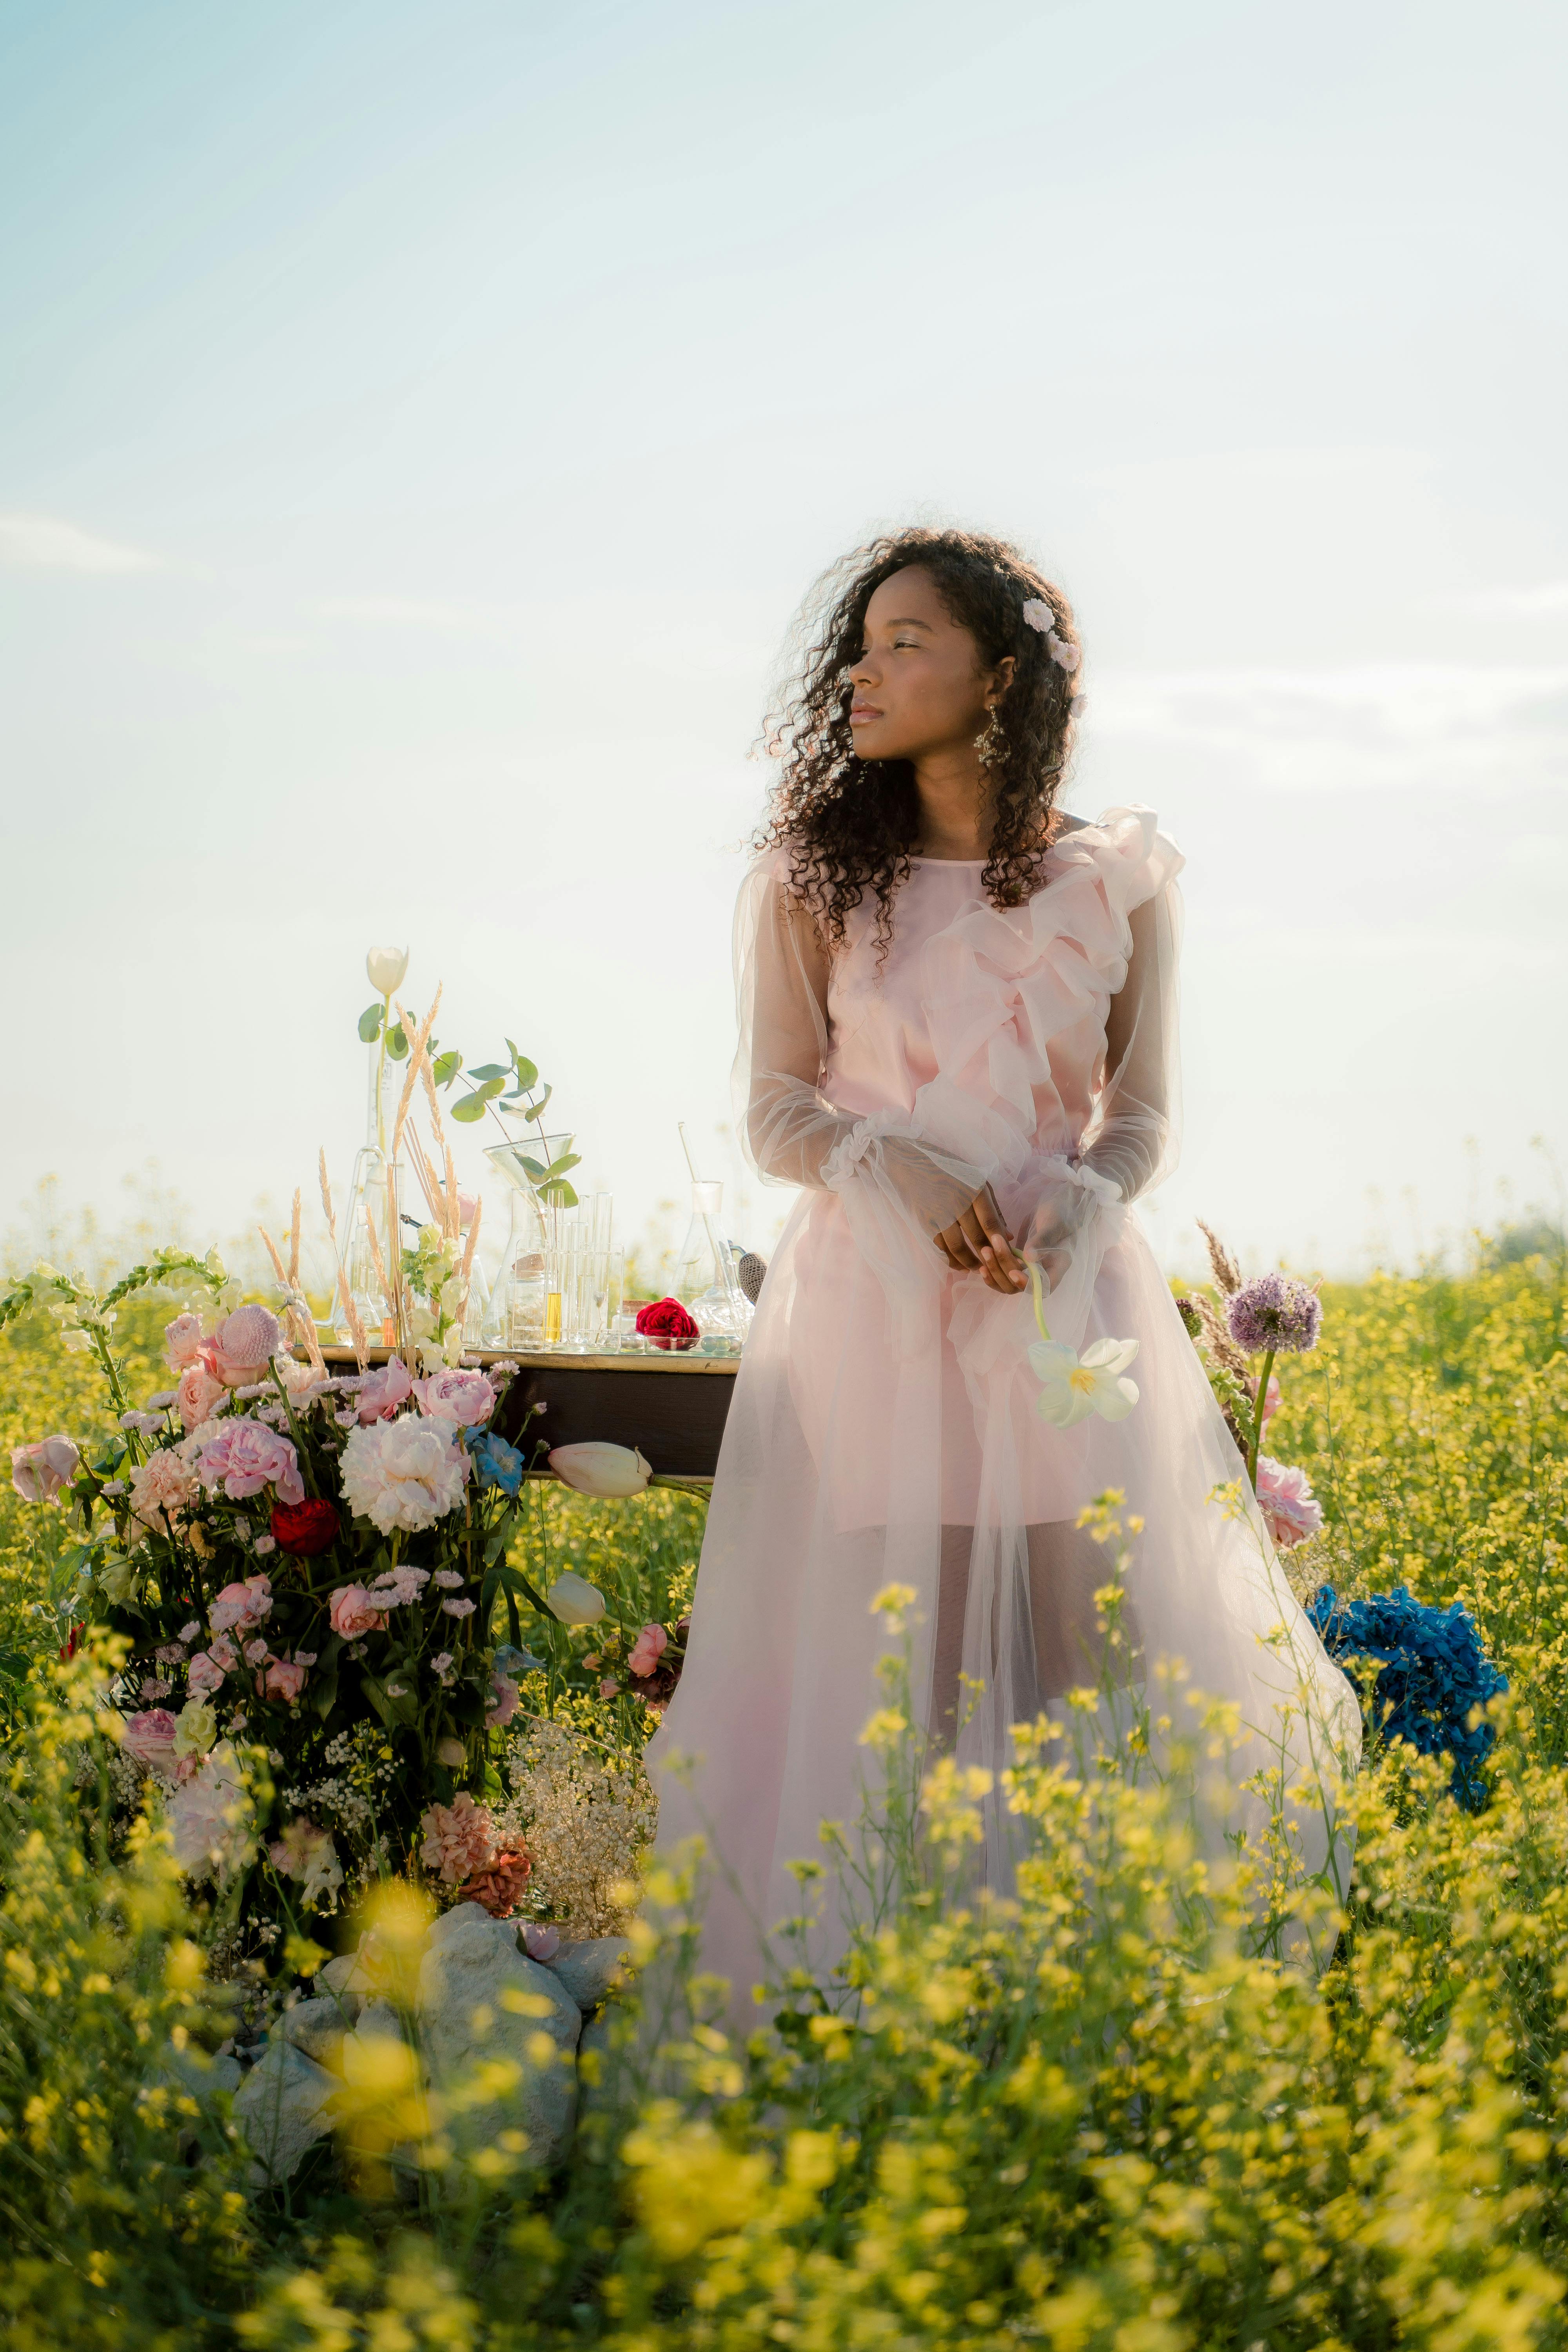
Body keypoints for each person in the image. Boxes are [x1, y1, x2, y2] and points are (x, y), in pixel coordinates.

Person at [646, 525, 1358, 2007]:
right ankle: (900, 2004)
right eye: (862, 645)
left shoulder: (1120, 878)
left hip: (1062, 1305)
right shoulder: (812, 877)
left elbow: (1138, 1116)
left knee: (1087, 1659)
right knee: (907, 1671)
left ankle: (1085, 1998)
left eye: (906, 643)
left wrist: (1083, 1202)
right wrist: (894, 1165)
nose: (864, 672)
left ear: (1002, 679)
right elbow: (775, 1111)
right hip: (874, 1308)